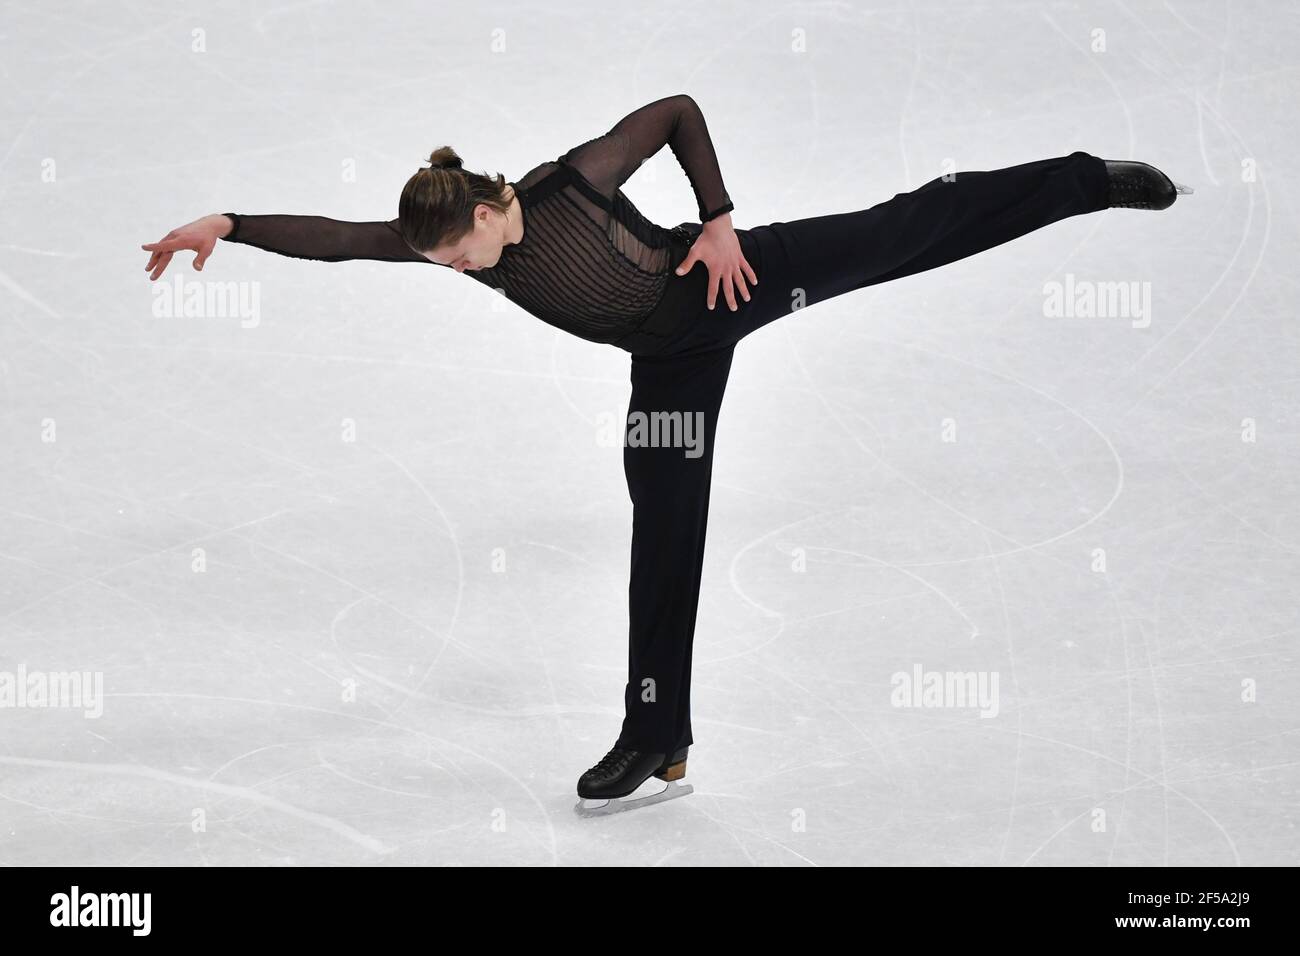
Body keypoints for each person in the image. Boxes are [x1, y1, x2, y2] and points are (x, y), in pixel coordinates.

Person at [141, 93, 1189, 816]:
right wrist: (226, 223)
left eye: (459, 249)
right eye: (442, 259)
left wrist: (722, 219)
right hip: (669, 372)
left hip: (736, 282)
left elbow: (677, 109)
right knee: (663, 533)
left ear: (491, 209)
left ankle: (1084, 179)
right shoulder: (451, 240)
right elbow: (339, 236)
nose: (455, 269)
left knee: (905, 227)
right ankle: (656, 733)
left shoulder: (574, 185)